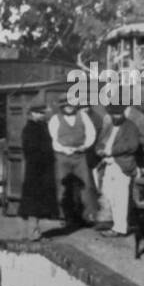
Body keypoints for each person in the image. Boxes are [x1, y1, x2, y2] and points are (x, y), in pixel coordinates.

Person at [49, 94, 98, 230]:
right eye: (66, 105)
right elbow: (53, 139)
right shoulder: (55, 119)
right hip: (62, 157)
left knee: (86, 185)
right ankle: (66, 217)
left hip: (80, 156)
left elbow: (91, 134)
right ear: (62, 106)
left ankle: (88, 216)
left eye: (71, 104)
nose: (69, 107)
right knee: (63, 187)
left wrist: (85, 146)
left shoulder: (83, 116)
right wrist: (65, 149)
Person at [94, 104, 142, 237]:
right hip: (108, 165)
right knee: (110, 195)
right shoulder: (109, 126)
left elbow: (133, 146)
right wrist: (100, 150)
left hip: (122, 165)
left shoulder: (130, 126)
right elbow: (99, 142)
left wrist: (111, 152)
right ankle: (118, 224)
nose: (115, 116)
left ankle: (120, 228)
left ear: (123, 113)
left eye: (118, 113)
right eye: (113, 114)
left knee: (120, 197)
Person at [18, 103, 59, 239]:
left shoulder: (41, 126)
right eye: (40, 113)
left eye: (43, 113)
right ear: (33, 113)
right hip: (36, 170)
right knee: (33, 204)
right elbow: (31, 150)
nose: (43, 115)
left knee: (37, 202)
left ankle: (34, 232)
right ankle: (32, 233)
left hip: (42, 170)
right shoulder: (30, 129)